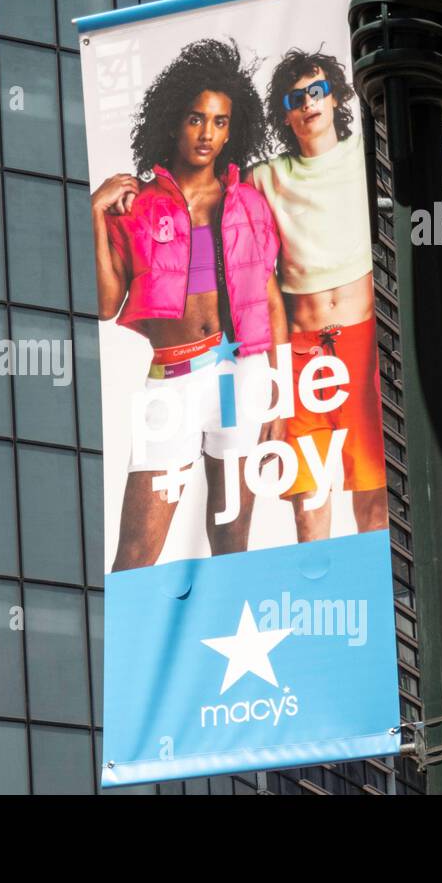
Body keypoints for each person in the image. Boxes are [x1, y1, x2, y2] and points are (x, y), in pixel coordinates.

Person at [93, 39, 287, 571]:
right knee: (135, 554)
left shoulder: (247, 201)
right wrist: (94, 213)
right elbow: (105, 305)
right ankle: (128, 652)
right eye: (197, 119)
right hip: (172, 378)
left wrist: (280, 397)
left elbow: (268, 299)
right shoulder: (138, 204)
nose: (207, 134)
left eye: (221, 123)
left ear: (234, 128)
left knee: (231, 544)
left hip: (240, 375)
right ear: (173, 121)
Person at [248, 49, 387, 542]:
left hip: (360, 341)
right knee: (308, 504)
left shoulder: (362, 152)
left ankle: (374, 608)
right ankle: (318, 612)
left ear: (335, 98)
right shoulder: (267, 177)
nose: (308, 103)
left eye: (316, 90)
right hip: (302, 353)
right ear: (285, 113)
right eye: (295, 97)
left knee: (372, 497)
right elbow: (210, 192)